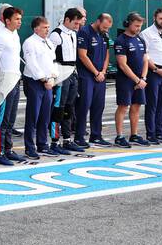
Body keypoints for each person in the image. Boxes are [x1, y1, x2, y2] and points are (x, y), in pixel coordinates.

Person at [0, 6, 24, 164]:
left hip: (15, 78)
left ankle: (8, 149)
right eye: (16, 19)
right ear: (7, 20)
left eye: (20, 19)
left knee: (10, 118)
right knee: (1, 119)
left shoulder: (15, 34)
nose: (19, 22)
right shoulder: (0, 36)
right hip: (4, 79)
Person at [21, 17, 59, 160]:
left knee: (45, 115)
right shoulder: (29, 43)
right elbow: (32, 64)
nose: (47, 30)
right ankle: (29, 147)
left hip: (48, 82)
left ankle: (42, 145)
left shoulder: (49, 42)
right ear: (36, 28)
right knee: (33, 116)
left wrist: (53, 77)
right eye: (44, 27)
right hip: (34, 82)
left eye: (48, 27)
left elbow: (54, 61)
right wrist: (44, 79)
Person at [47, 8, 84, 152]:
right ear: (67, 20)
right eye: (75, 23)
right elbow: (50, 56)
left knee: (69, 108)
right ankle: (55, 142)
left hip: (72, 73)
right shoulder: (56, 35)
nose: (77, 26)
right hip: (61, 74)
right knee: (58, 108)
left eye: (79, 23)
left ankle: (67, 139)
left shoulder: (73, 34)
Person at [75, 13, 113, 148]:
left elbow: (107, 54)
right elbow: (82, 55)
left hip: (100, 75)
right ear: (98, 21)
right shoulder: (84, 32)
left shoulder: (105, 35)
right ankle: (79, 136)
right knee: (84, 105)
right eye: (104, 27)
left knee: (99, 106)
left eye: (108, 28)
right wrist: (96, 72)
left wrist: (103, 71)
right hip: (86, 75)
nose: (106, 30)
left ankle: (96, 135)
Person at [112, 13, 149, 148]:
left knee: (136, 106)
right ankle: (119, 136)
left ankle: (134, 134)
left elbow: (146, 60)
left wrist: (143, 78)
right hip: (125, 80)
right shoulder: (121, 40)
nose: (138, 28)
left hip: (140, 80)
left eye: (140, 26)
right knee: (123, 106)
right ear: (128, 23)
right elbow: (122, 64)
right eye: (136, 25)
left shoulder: (140, 40)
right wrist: (136, 80)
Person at [140, 8, 162, 144]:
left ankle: (160, 131)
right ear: (155, 17)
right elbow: (146, 55)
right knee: (152, 103)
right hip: (154, 71)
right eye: (161, 18)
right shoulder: (146, 33)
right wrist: (155, 69)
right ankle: (151, 133)